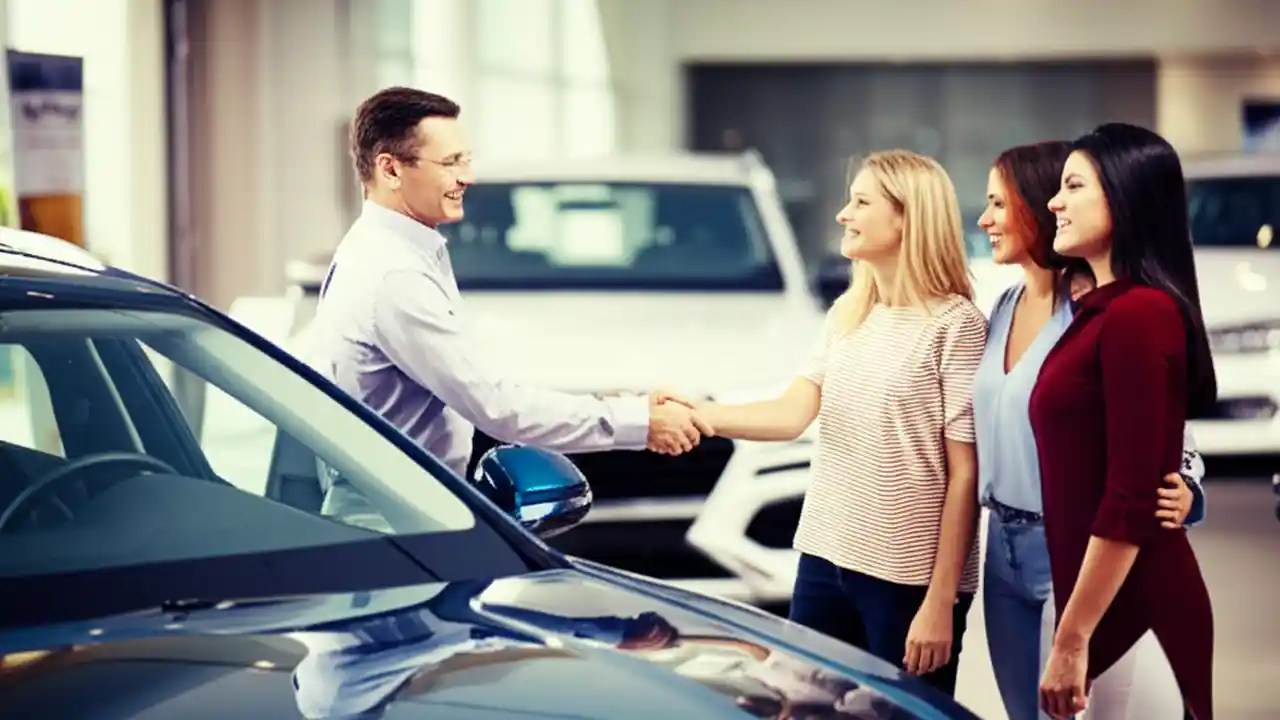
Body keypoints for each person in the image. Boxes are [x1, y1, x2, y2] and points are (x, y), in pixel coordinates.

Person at [670, 150, 985, 696]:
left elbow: (966, 476)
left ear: (906, 218)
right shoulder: (849, 312)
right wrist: (698, 414)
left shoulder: (957, 328)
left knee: (902, 712)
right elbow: (790, 413)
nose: (844, 215)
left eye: (861, 202)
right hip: (824, 556)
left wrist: (941, 601)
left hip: (903, 579)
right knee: (802, 704)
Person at [307, 88, 709, 504]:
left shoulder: (389, 252)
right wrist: (639, 422)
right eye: (450, 162)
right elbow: (495, 406)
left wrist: (628, 405)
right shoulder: (395, 276)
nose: (467, 177)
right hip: (397, 517)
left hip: (404, 507)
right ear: (390, 169)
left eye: (466, 159)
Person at [973, 140, 1209, 720]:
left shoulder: (1128, 312)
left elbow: (1142, 467)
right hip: (1019, 548)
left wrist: (1187, 484)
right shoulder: (1023, 309)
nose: (1056, 203)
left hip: (1102, 570)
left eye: (1073, 187)